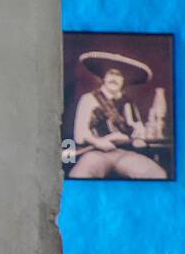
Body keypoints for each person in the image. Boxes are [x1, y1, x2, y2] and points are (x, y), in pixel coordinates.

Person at [68, 51, 167, 179]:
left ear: (124, 80)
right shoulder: (89, 99)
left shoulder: (129, 104)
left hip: (125, 153)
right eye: (111, 73)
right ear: (104, 77)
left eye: (119, 75)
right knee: (79, 177)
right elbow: (79, 135)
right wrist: (98, 142)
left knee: (157, 175)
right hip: (96, 153)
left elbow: (138, 132)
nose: (114, 78)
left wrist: (138, 139)